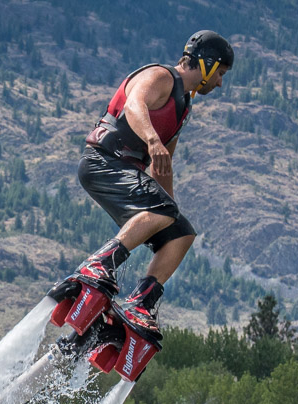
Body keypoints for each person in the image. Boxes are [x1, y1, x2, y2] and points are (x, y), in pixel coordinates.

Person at [51, 30, 235, 341]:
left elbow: (163, 167)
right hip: (103, 161)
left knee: (181, 234)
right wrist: (152, 140)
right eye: (220, 73)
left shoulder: (183, 108)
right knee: (162, 210)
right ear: (206, 63)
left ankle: (140, 304)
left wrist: (170, 215)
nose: (220, 83)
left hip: (121, 168)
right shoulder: (162, 77)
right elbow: (134, 106)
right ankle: (98, 265)